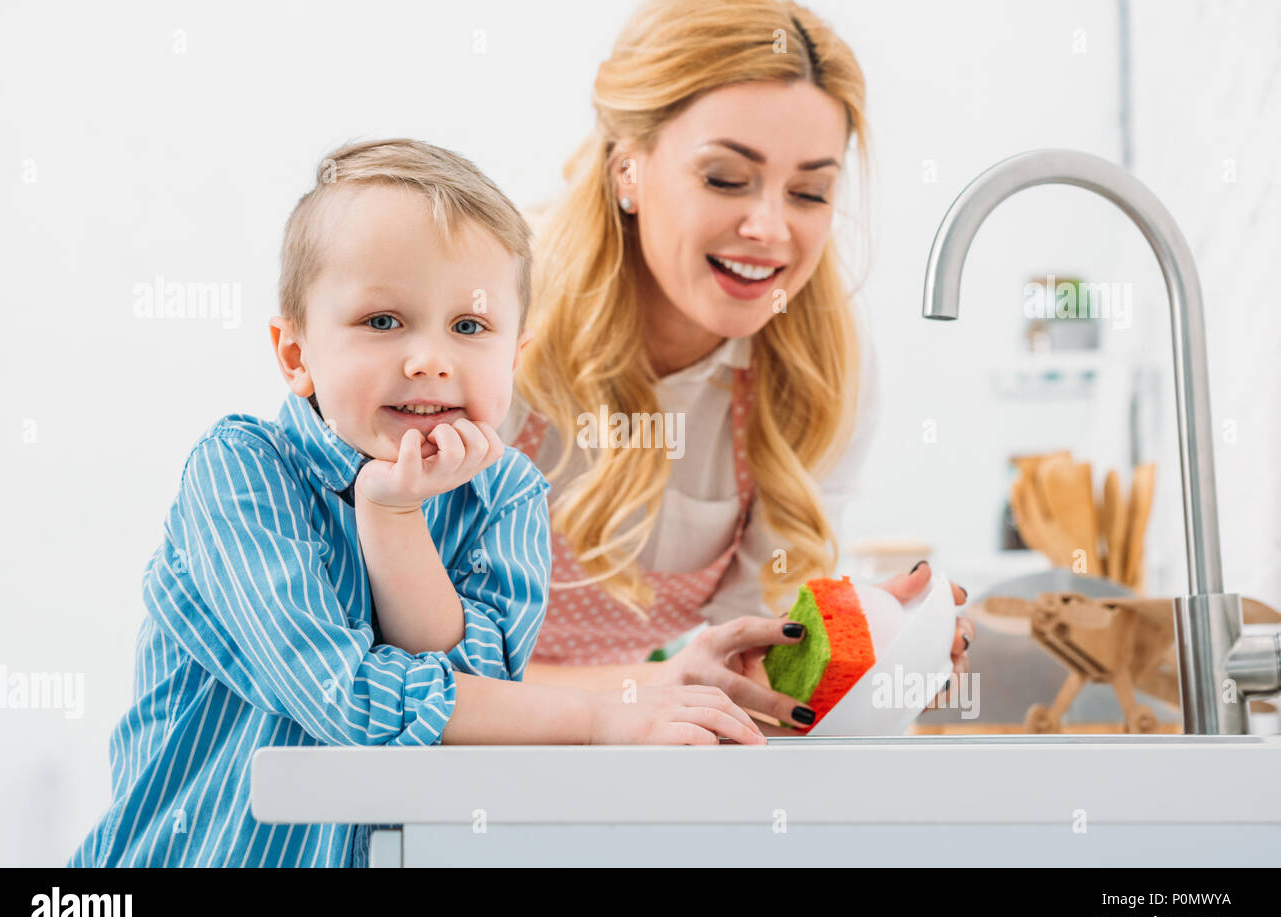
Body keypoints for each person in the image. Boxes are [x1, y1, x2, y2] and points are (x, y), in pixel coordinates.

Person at [69, 138, 764, 869]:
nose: (429, 357)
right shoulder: (240, 474)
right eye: (382, 321)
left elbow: (470, 714)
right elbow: (350, 701)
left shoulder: (509, 495)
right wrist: (595, 716)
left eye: (469, 327)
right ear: (296, 355)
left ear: (514, 356)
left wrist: (395, 520)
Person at [503, 0, 975, 732]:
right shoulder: (493, 319)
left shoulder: (819, 373)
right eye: (725, 178)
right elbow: (386, 661)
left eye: (809, 192)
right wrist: (652, 690)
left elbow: (729, 671)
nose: (769, 228)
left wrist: (864, 650)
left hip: (620, 766)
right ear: (628, 169)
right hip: (417, 768)